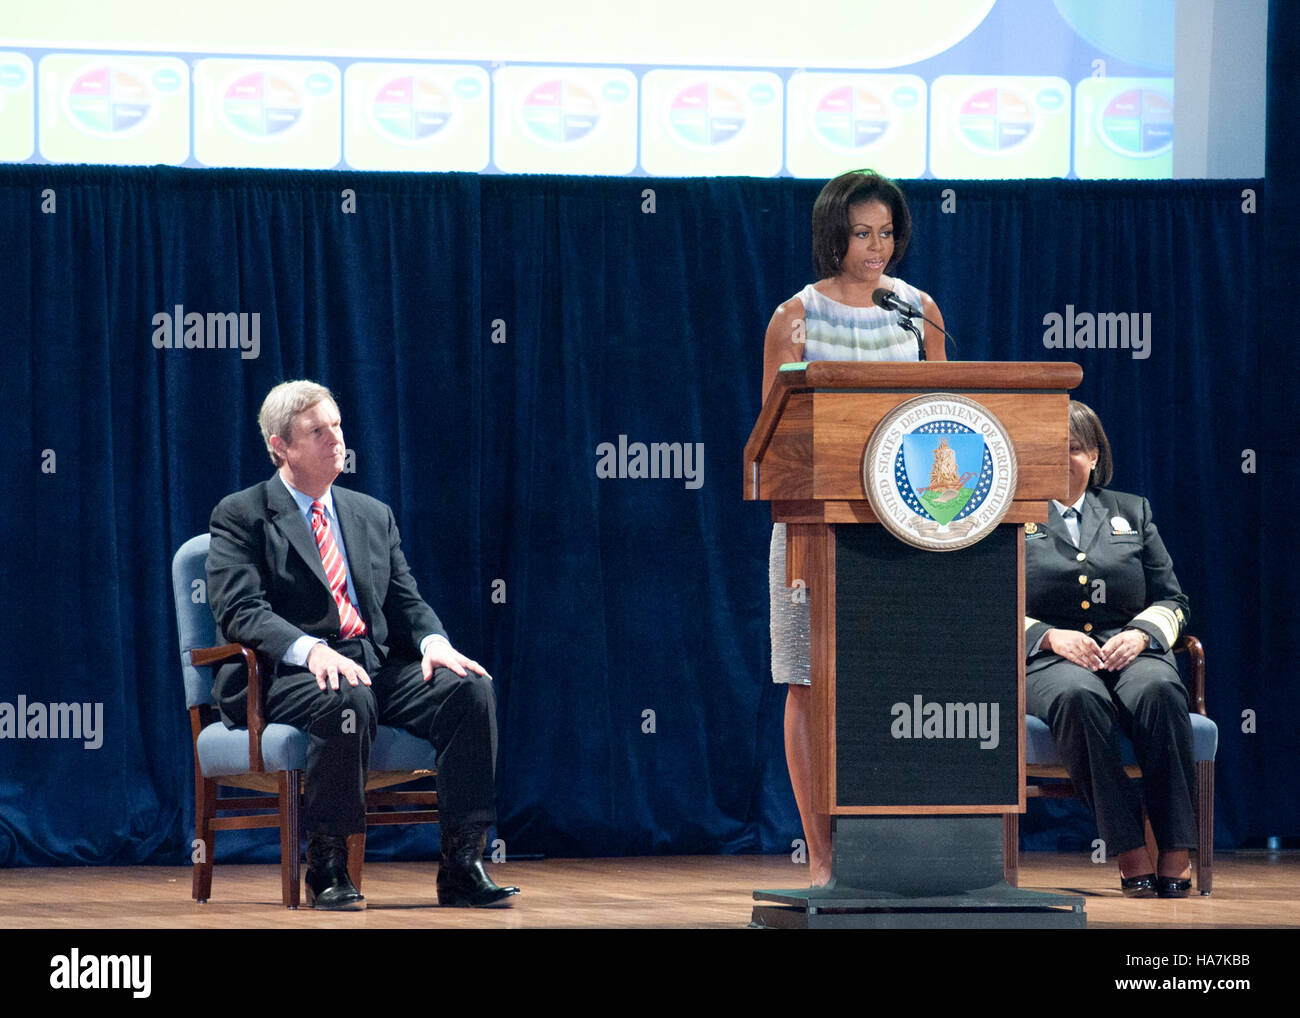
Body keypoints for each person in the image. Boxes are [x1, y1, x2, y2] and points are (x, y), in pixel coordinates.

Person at [206, 380, 519, 910]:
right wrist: (309, 649)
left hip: (371, 664)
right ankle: (326, 867)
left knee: (470, 690)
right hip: (284, 673)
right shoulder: (242, 514)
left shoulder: (372, 514)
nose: (336, 439)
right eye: (317, 431)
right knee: (345, 699)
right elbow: (241, 611)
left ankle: (463, 865)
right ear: (280, 446)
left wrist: (433, 641)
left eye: (338, 425)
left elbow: (406, 602)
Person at [762, 169, 946, 885]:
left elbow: (946, 418)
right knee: (807, 682)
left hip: (903, 531)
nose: (877, 247)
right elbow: (775, 438)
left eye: (888, 232)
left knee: (896, 684)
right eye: (863, 233)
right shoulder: (796, 317)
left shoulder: (917, 312)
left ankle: (892, 847)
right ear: (832, 235)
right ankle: (820, 852)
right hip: (814, 528)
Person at [1024, 400, 1195, 898]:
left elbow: (1174, 599)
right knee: (1080, 699)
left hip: (1129, 648)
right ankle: (1128, 847)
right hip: (1052, 658)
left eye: (1075, 449)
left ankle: (1176, 848)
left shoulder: (1131, 510)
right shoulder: (1016, 513)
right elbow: (990, 603)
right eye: (1054, 449)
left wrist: (1141, 635)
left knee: (1162, 690)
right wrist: (1049, 635)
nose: (1064, 459)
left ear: (1095, 456)